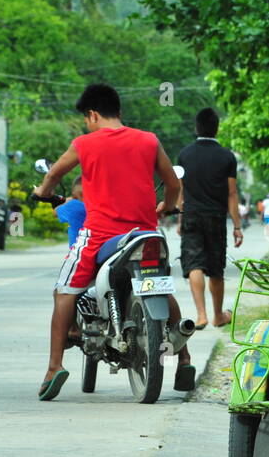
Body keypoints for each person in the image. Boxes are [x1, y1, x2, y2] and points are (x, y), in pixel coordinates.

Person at [33, 83, 194, 401]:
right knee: (159, 284)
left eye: (86, 118)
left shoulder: (83, 143)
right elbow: (173, 184)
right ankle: (185, 359)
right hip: (145, 233)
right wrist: (169, 205)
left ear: (92, 114)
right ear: (117, 110)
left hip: (101, 236)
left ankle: (54, 366)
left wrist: (43, 192)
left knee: (64, 290)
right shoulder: (149, 140)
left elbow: (53, 175)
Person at [176, 107, 242, 329]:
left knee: (194, 264)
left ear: (196, 127)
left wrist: (179, 220)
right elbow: (232, 193)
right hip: (215, 217)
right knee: (215, 269)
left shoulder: (184, 155)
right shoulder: (227, 156)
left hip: (192, 216)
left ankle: (201, 315)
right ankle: (218, 316)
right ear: (217, 128)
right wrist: (237, 226)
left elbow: (181, 191)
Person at [54, 178, 86, 249]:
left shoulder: (73, 205)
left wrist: (66, 202)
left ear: (74, 193)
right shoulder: (101, 204)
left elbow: (55, 212)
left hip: (77, 251)